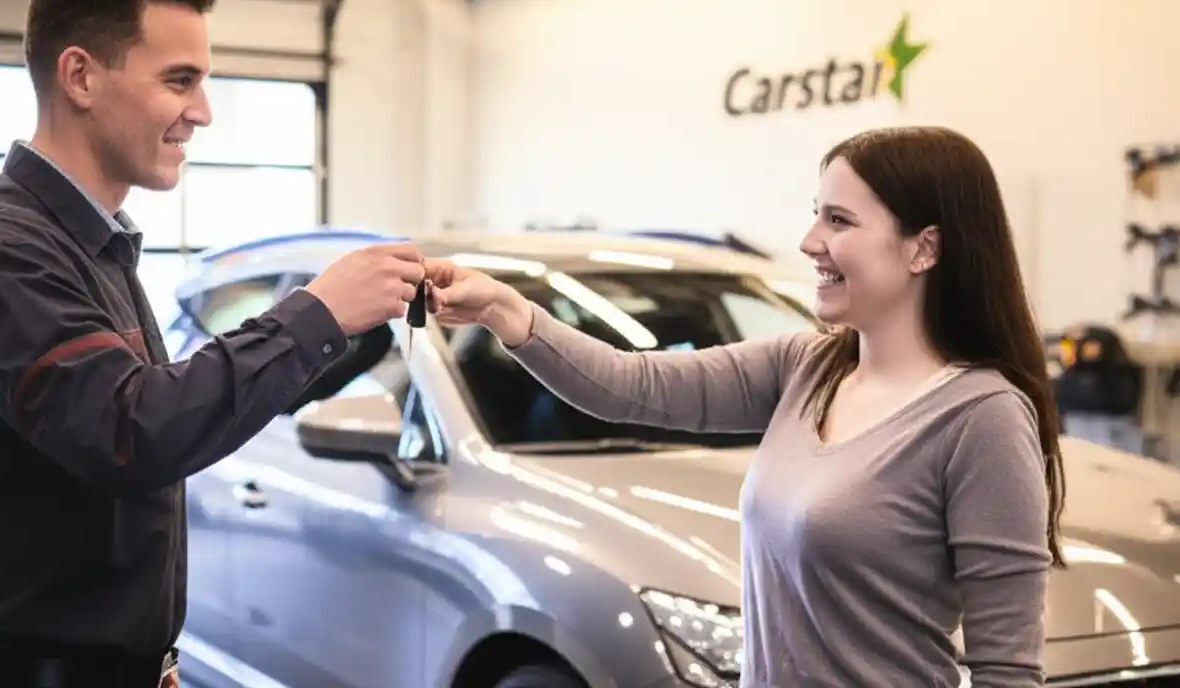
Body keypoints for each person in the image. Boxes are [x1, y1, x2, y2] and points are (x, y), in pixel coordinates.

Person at [0, 0, 425, 686]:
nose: (201, 112)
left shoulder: (88, 244)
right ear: (81, 77)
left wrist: (356, 323)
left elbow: (164, 413)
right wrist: (318, 313)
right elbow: (132, 432)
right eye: (179, 81)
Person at [424, 126, 1066, 687]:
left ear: (923, 248)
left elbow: (1008, 669)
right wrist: (504, 309)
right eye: (816, 215)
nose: (810, 241)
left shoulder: (981, 416)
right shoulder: (807, 367)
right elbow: (628, 385)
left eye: (839, 221)